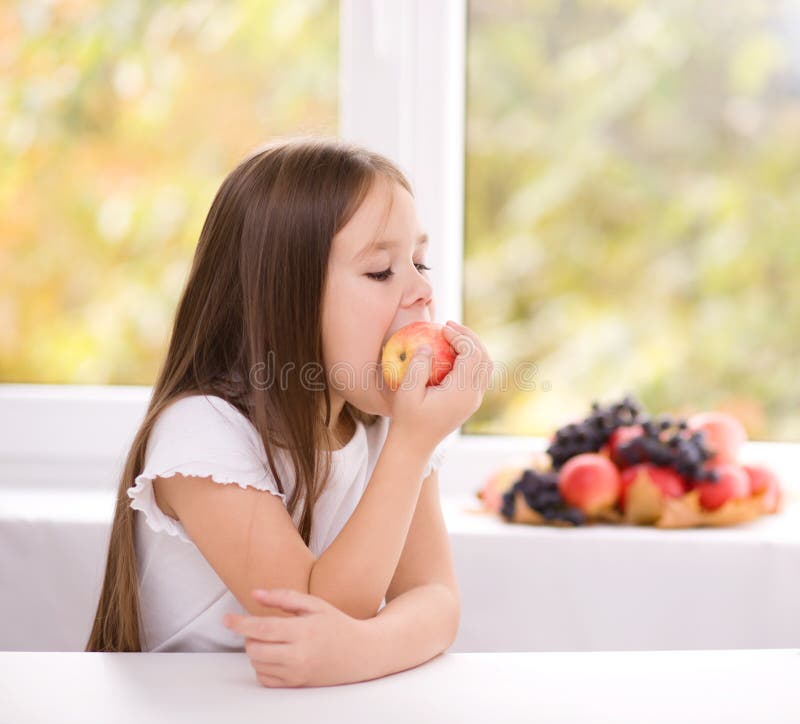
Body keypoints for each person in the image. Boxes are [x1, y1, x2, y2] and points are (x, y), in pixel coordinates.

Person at [85, 136, 493, 688]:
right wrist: (412, 445)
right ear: (283, 299)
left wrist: (365, 649)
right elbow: (311, 614)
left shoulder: (387, 429)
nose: (422, 290)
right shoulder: (201, 434)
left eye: (420, 262)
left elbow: (436, 599)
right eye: (381, 271)